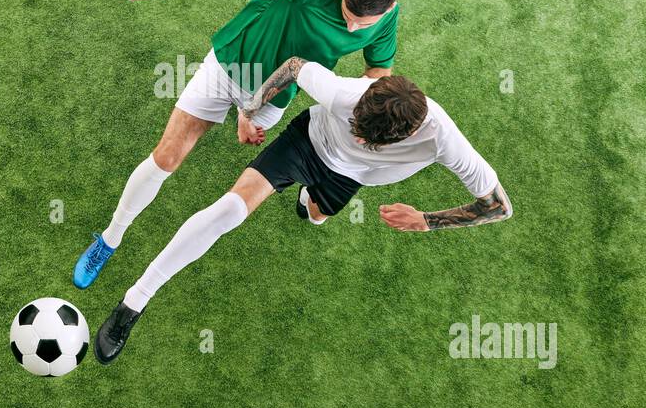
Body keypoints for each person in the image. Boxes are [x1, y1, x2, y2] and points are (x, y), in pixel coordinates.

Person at [93, 56, 512, 363]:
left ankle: (308, 200)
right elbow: (294, 66)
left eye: (370, 140)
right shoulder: (345, 93)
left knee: (315, 214)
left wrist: (425, 221)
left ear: (410, 134)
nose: (360, 138)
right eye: (357, 128)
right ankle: (134, 301)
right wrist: (249, 109)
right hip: (306, 143)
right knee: (229, 211)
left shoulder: (444, 138)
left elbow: (497, 206)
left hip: (351, 179)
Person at [73, 0, 402, 289]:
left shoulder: (387, 16)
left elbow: (378, 70)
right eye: (347, 15)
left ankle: (247, 124)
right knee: (168, 155)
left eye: (361, 25)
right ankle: (110, 239)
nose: (351, 27)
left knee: (249, 141)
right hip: (233, 63)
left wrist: (363, 109)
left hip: (278, 92)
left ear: (388, 9)